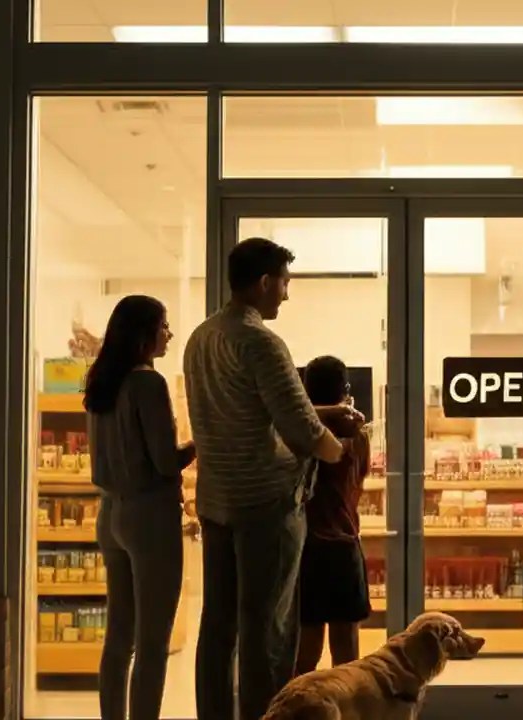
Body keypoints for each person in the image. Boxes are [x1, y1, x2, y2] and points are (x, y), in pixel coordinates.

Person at [185, 238, 364, 720]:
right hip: (267, 503)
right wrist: (339, 446)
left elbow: (248, 410)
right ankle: (267, 717)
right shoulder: (262, 342)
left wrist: (321, 411)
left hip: (218, 498)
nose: (286, 294)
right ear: (265, 282)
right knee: (267, 629)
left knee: (218, 624)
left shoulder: (202, 338)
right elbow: (302, 430)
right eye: (285, 283)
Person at [84, 295, 195, 720]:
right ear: (144, 332)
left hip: (109, 513)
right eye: (164, 324)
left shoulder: (101, 382)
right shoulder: (148, 382)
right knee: (153, 642)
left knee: (118, 638)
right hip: (149, 515)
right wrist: (201, 440)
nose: (169, 333)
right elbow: (165, 461)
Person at [295, 355, 373, 675]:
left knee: (306, 650)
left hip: (307, 545)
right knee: (347, 652)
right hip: (344, 543)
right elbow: (360, 476)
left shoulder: (302, 436)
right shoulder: (359, 435)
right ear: (345, 390)